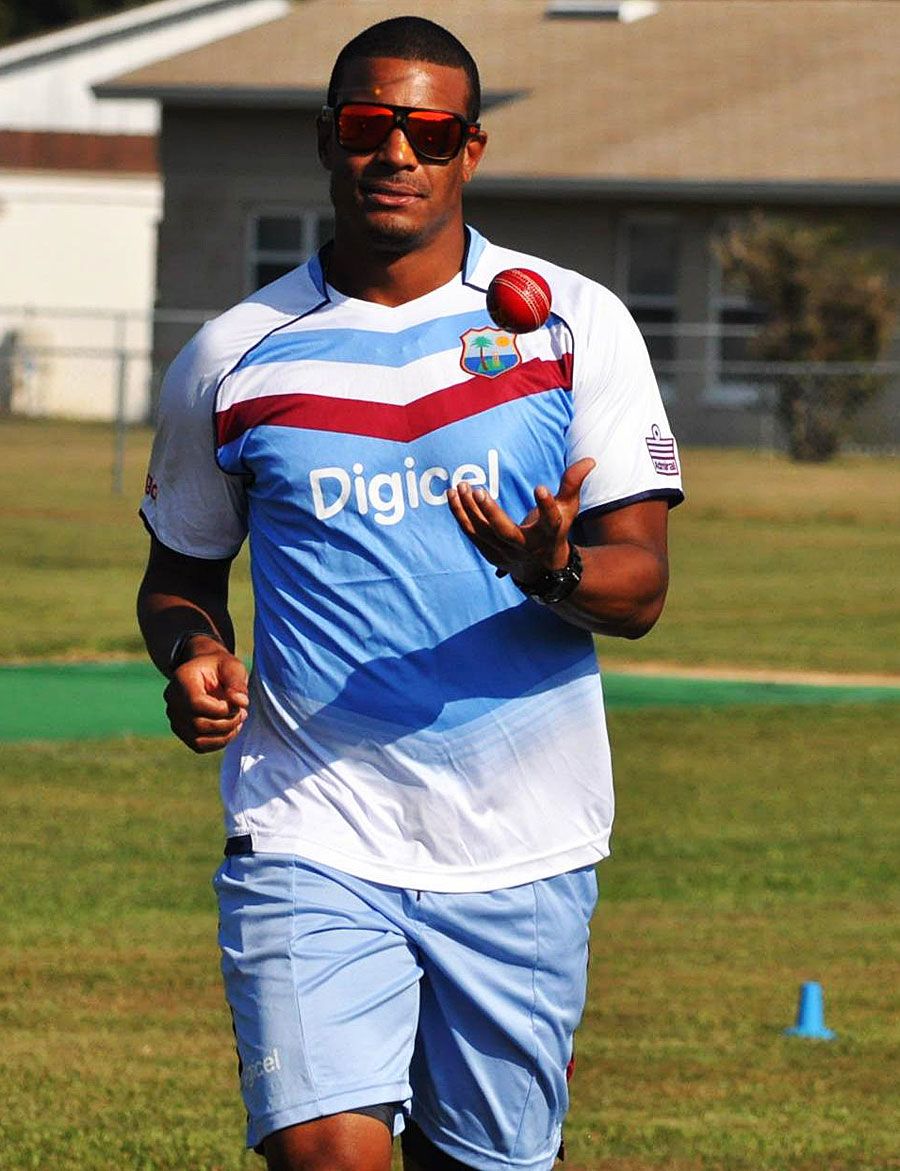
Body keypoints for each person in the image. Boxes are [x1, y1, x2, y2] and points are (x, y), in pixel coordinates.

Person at [137, 15, 683, 1171]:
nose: (397, 153)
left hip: (524, 841)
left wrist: (554, 570)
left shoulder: (573, 324)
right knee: (328, 1151)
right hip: (307, 824)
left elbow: (637, 587)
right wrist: (190, 654)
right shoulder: (234, 356)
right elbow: (181, 576)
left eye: (428, 132)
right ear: (328, 139)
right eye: (369, 126)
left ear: (469, 149)